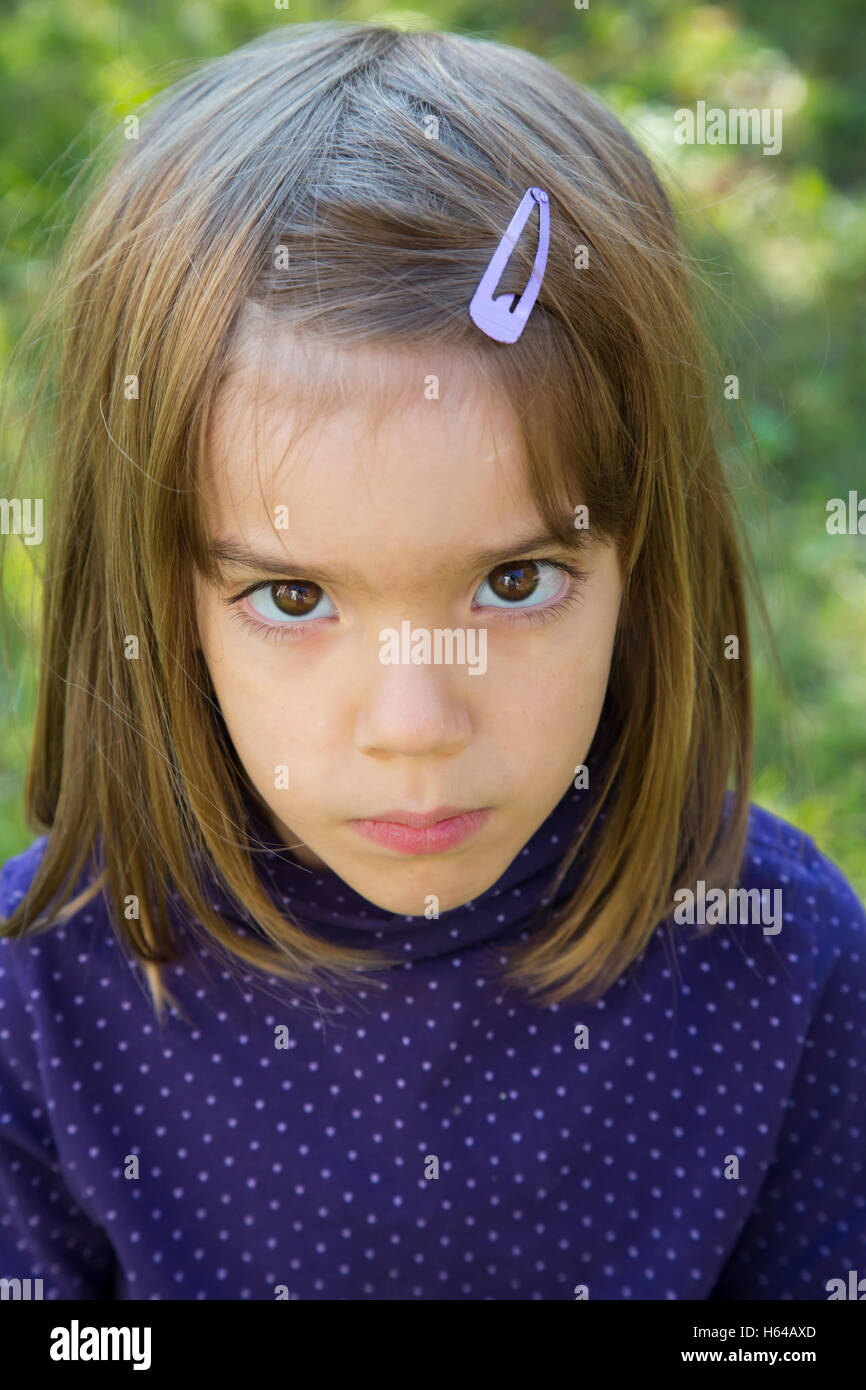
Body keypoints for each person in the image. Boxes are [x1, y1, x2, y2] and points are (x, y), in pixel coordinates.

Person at [1, 20, 863, 1302]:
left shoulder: (776, 959)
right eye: (293, 596)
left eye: (514, 583)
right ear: (156, 593)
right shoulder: (46, 994)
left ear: (642, 560)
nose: (413, 723)